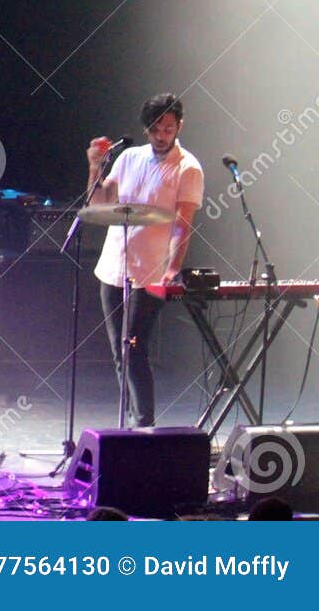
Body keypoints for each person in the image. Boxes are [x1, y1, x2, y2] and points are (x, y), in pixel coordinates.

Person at [85, 91, 203, 427]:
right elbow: (99, 201)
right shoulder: (129, 157)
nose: (162, 135)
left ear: (179, 125)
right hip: (113, 266)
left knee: (135, 348)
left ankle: (144, 426)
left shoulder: (188, 168)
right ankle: (129, 428)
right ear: (146, 128)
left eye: (168, 128)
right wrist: (95, 164)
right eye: (155, 129)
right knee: (119, 353)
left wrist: (173, 267)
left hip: (150, 271)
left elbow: (183, 225)